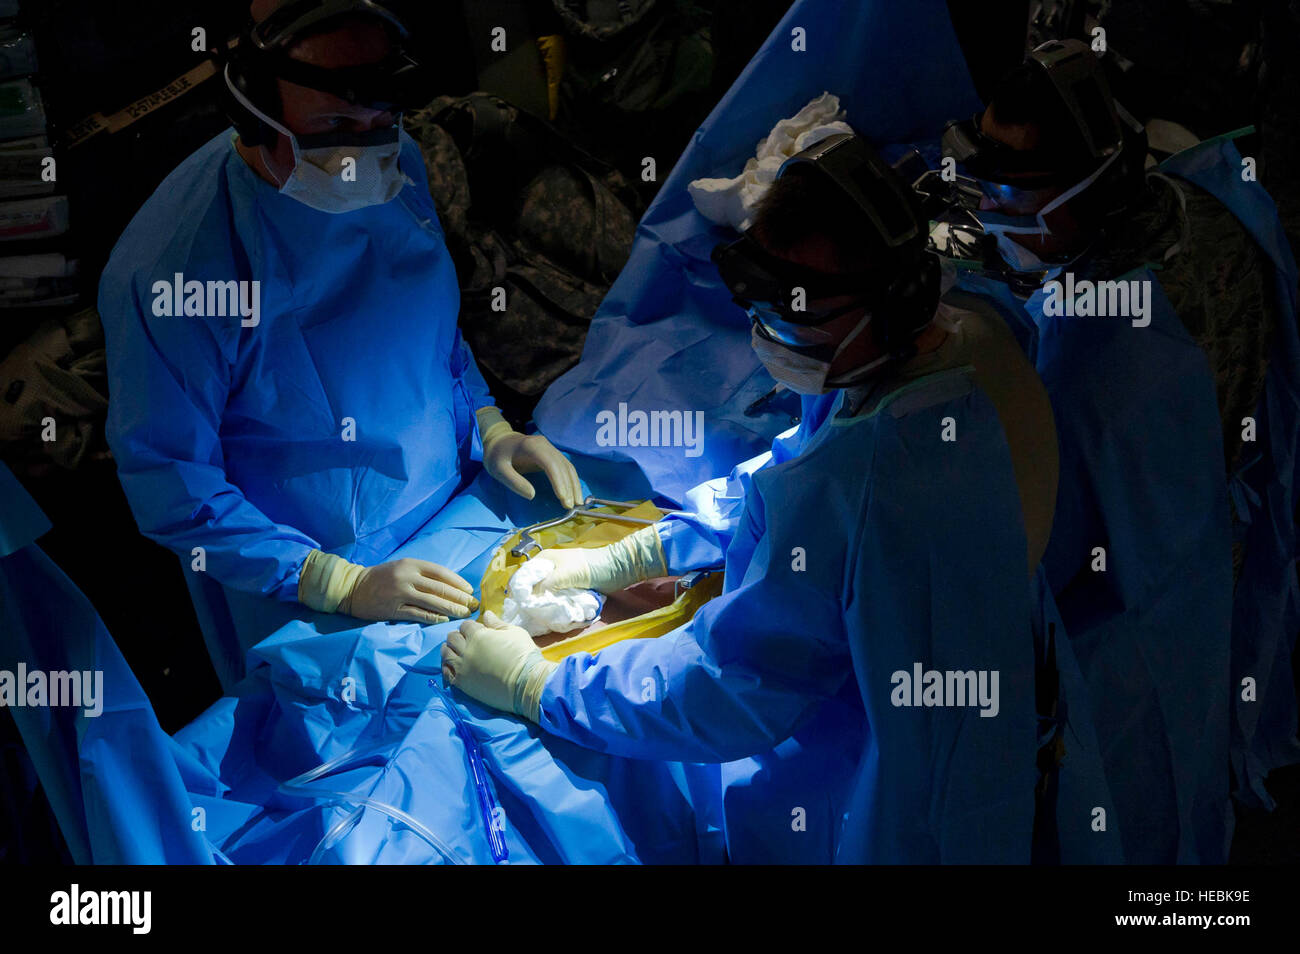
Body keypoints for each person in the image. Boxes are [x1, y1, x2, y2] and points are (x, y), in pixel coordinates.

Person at [443, 134, 1057, 863]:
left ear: (888, 300)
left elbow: (729, 690)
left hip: (899, 788)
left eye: (796, 311)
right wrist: (638, 552)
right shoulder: (943, 345)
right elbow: (789, 468)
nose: (769, 333)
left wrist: (539, 685)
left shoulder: (871, 477)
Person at [98, 0, 581, 688]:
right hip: (302, 582)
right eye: (333, 127)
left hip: (453, 514)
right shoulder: (177, 268)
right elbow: (172, 483)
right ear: (256, 110)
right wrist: (337, 583)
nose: (362, 150)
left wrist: (491, 425)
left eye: (381, 120)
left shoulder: (392, 160)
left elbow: (424, 327)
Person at [937, 39, 1244, 861]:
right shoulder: (1195, 207)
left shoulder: (1089, 347)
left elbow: (1047, 553)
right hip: (1210, 553)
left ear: (1090, 188)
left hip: (1134, 621)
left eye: (1009, 190)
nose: (990, 207)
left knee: (1141, 798)